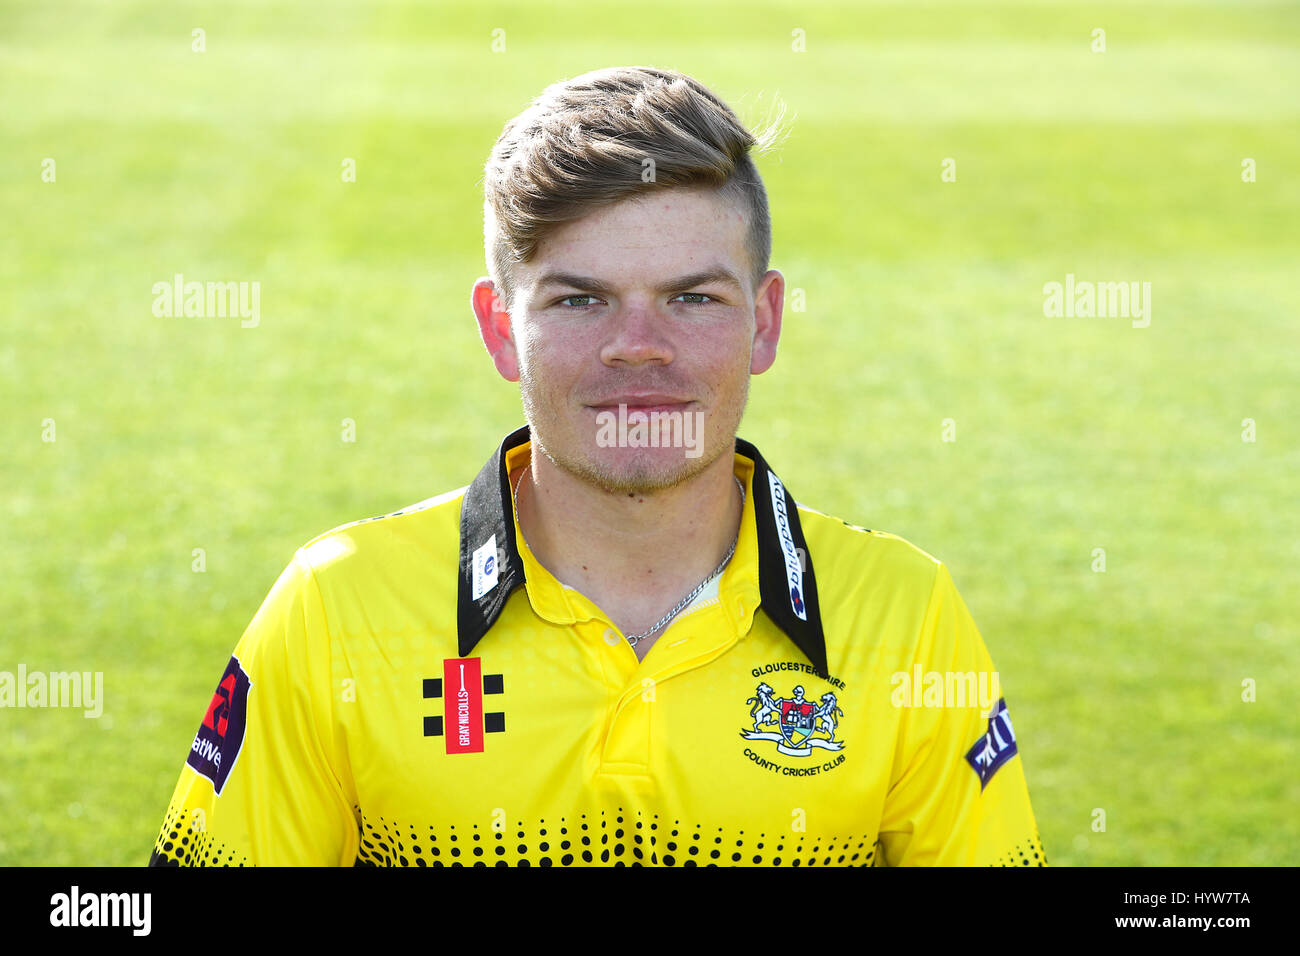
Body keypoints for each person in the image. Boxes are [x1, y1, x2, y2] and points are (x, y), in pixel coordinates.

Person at [149, 65, 1045, 867]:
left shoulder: (906, 615)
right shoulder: (335, 610)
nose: (638, 346)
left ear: (765, 322)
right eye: (581, 301)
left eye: (693, 298)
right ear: (501, 330)